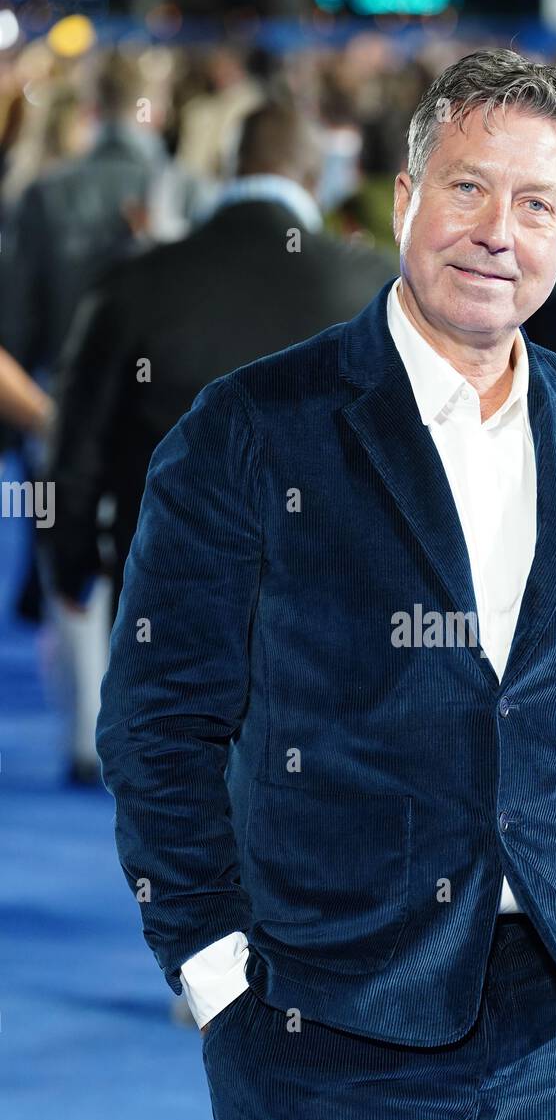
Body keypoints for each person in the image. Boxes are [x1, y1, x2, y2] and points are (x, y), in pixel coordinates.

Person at [96, 48, 556, 1120]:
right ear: (400, 200)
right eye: (467, 189)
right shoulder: (251, 427)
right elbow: (158, 721)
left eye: (536, 204)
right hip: (322, 1014)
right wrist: (217, 966)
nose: (499, 232)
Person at [41, 95, 395, 787]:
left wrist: (70, 559)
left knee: (177, 820)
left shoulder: (134, 284)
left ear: (231, 166)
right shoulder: (375, 286)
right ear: (315, 174)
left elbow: (76, 444)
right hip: (338, 602)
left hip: (169, 592)